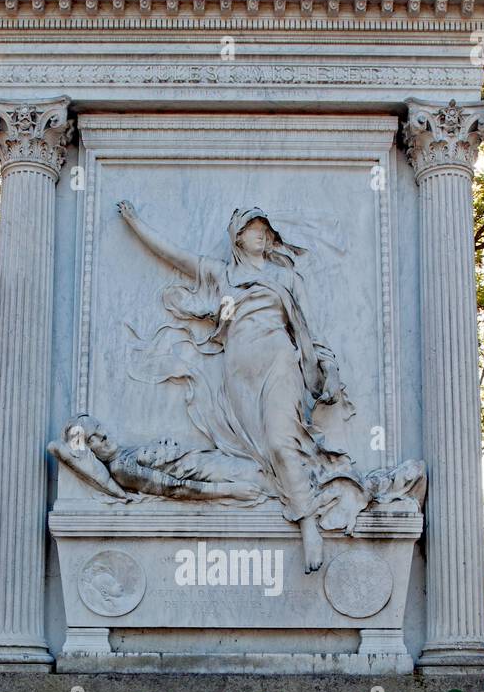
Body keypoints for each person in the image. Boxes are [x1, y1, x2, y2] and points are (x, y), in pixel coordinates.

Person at [117, 201, 356, 572]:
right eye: (252, 227)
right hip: (239, 370)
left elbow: (309, 330)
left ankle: (309, 521)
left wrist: (330, 370)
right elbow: (175, 256)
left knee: (280, 440)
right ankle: (269, 509)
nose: (260, 232)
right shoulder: (222, 275)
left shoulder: (286, 277)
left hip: (278, 358)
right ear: (238, 237)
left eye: (264, 227)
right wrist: (136, 223)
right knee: (257, 454)